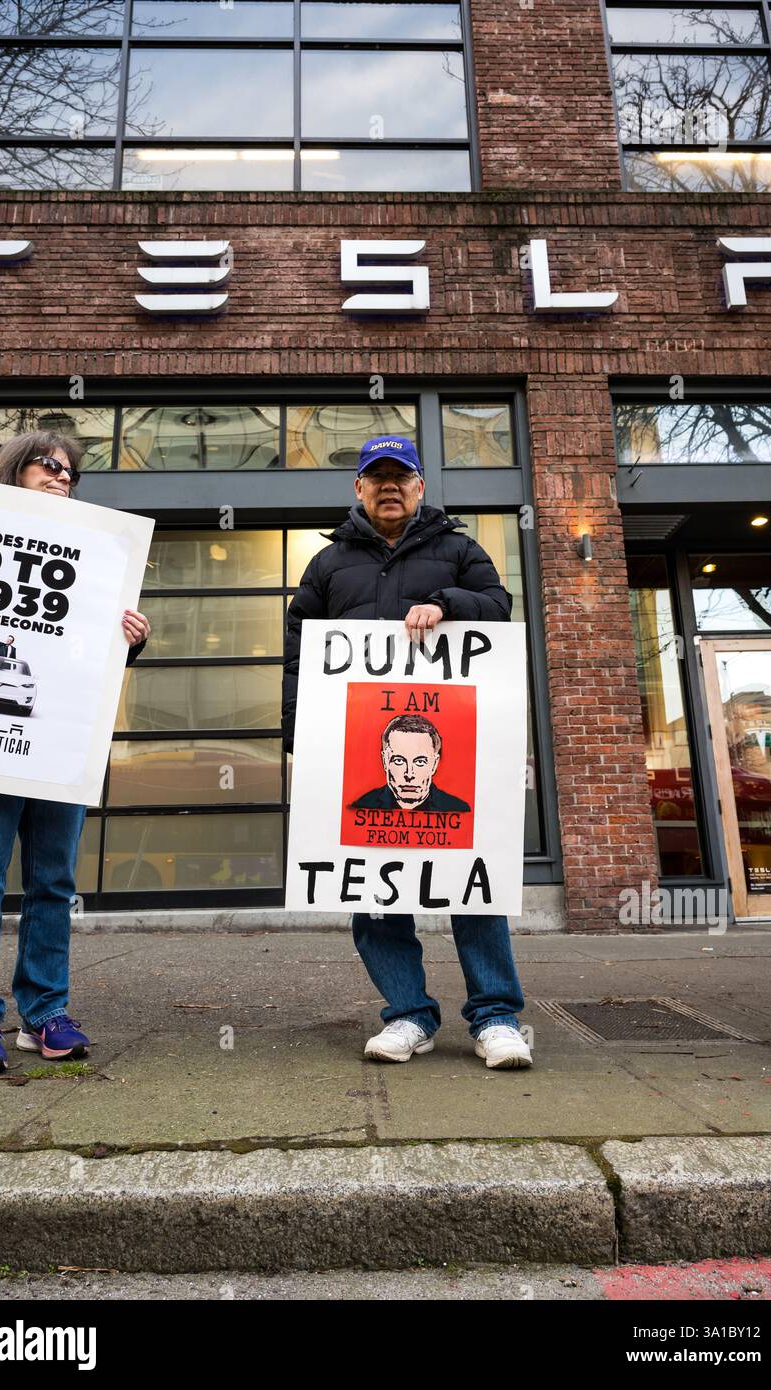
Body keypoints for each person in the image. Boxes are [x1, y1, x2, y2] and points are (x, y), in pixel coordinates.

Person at [283, 434, 532, 1070]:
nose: (388, 487)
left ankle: (497, 1018)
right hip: (361, 753)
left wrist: (446, 603)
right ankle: (408, 1015)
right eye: (376, 477)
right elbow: (299, 653)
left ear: (420, 487)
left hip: (449, 749)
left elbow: (500, 609)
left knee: (474, 886)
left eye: (401, 477)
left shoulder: (458, 548)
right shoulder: (329, 564)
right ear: (358, 489)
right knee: (372, 888)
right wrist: (297, 732)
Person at [0, 432, 151, 1076]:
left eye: (71, 472)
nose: (63, 477)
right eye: (49, 465)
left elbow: (87, 654)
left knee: (52, 885)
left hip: (59, 747)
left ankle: (44, 1013)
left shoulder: (90, 555)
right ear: (14, 467)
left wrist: (127, 640)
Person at [349, 714, 471, 812]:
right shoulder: (361, 807)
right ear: (385, 761)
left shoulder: (457, 810)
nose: (409, 774)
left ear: (434, 764)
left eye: (420, 762)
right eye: (399, 761)